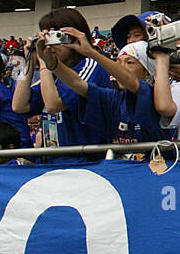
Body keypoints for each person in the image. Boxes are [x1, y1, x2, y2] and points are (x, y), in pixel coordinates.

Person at [13, 26, 138, 158]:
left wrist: (46, 63)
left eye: (56, 38)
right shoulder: (51, 77)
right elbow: (18, 105)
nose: (51, 46)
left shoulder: (89, 66)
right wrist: (30, 61)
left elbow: (53, 105)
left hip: (82, 163)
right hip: (53, 163)